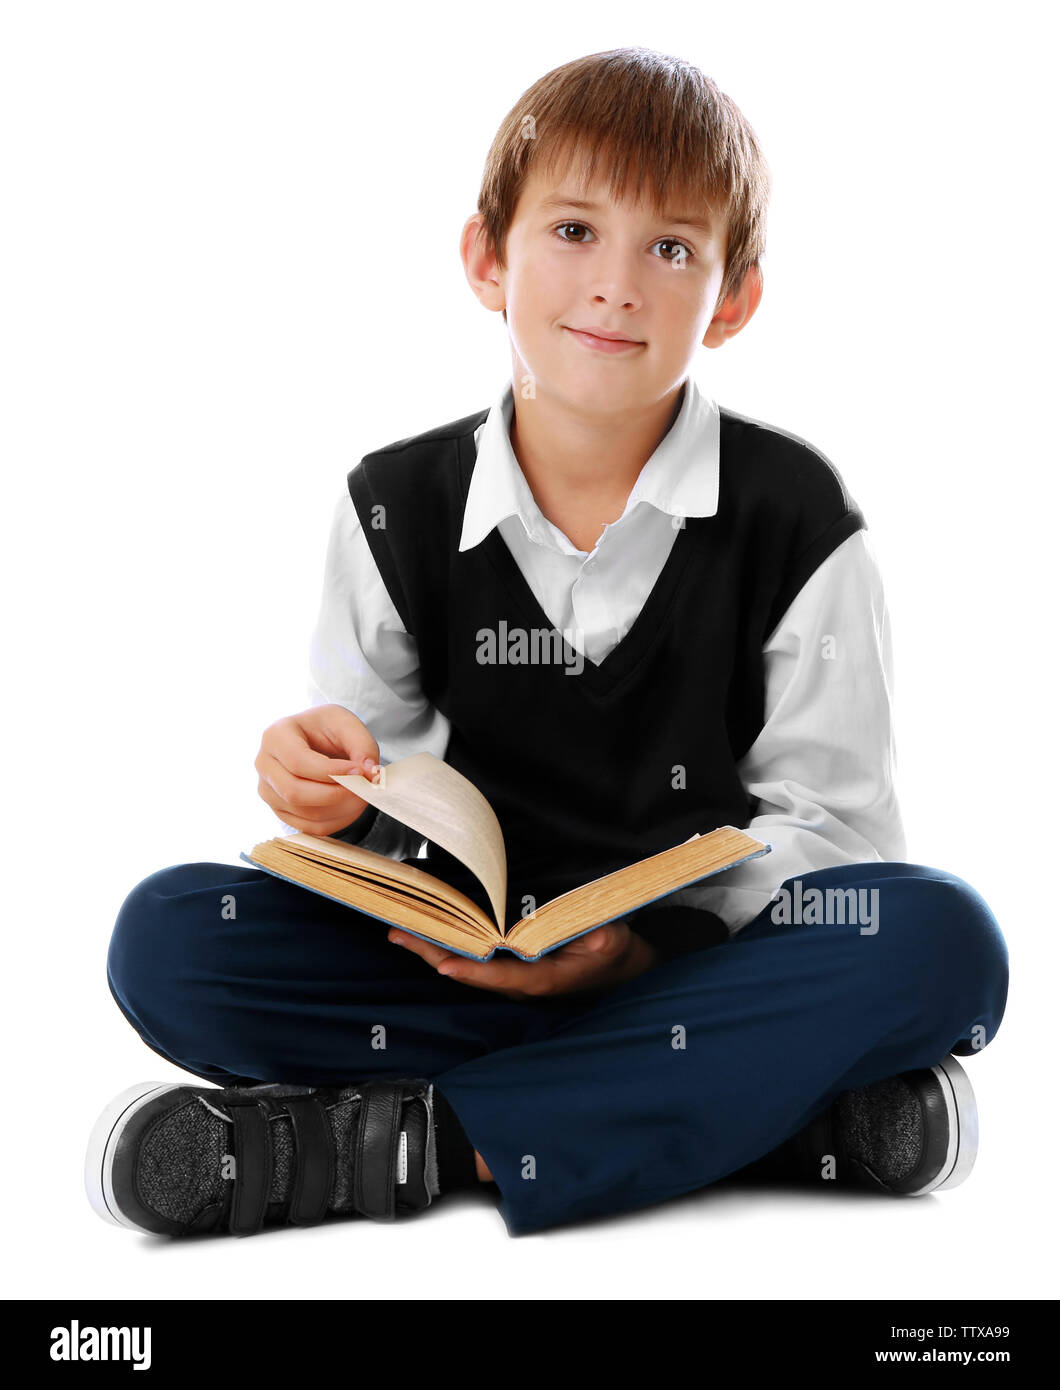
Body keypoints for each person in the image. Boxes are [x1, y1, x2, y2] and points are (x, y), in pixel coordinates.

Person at [86, 46, 1008, 1239]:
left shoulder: (795, 516)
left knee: (935, 939)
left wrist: (637, 952)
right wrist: (331, 802)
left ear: (731, 298)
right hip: (459, 974)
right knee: (170, 938)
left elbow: (829, 833)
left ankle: (420, 1141)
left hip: (684, 975)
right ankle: (772, 1109)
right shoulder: (392, 506)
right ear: (487, 257)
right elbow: (388, 799)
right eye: (574, 230)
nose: (616, 285)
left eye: (670, 249)